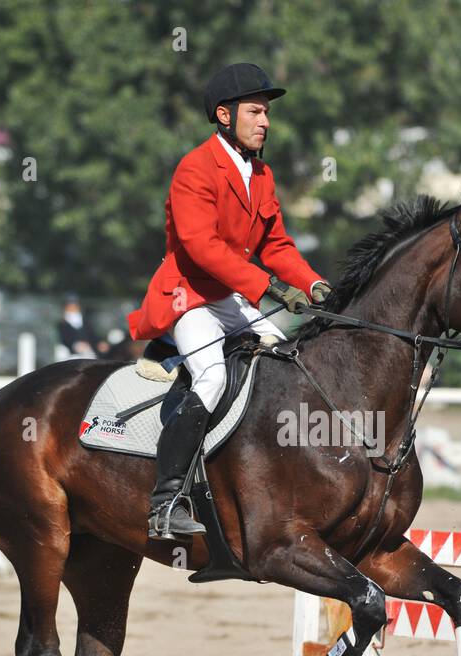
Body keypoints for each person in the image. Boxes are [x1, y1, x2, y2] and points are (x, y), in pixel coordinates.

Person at [127, 63, 332, 540]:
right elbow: (201, 247)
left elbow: (276, 245)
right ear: (224, 115)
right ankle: (166, 501)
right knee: (214, 376)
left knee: (287, 363)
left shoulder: (260, 174)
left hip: (231, 296)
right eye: (256, 111)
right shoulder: (195, 168)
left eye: (267, 113)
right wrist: (269, 288)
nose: (266, 121)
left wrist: (315, 283)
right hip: (188, 295)